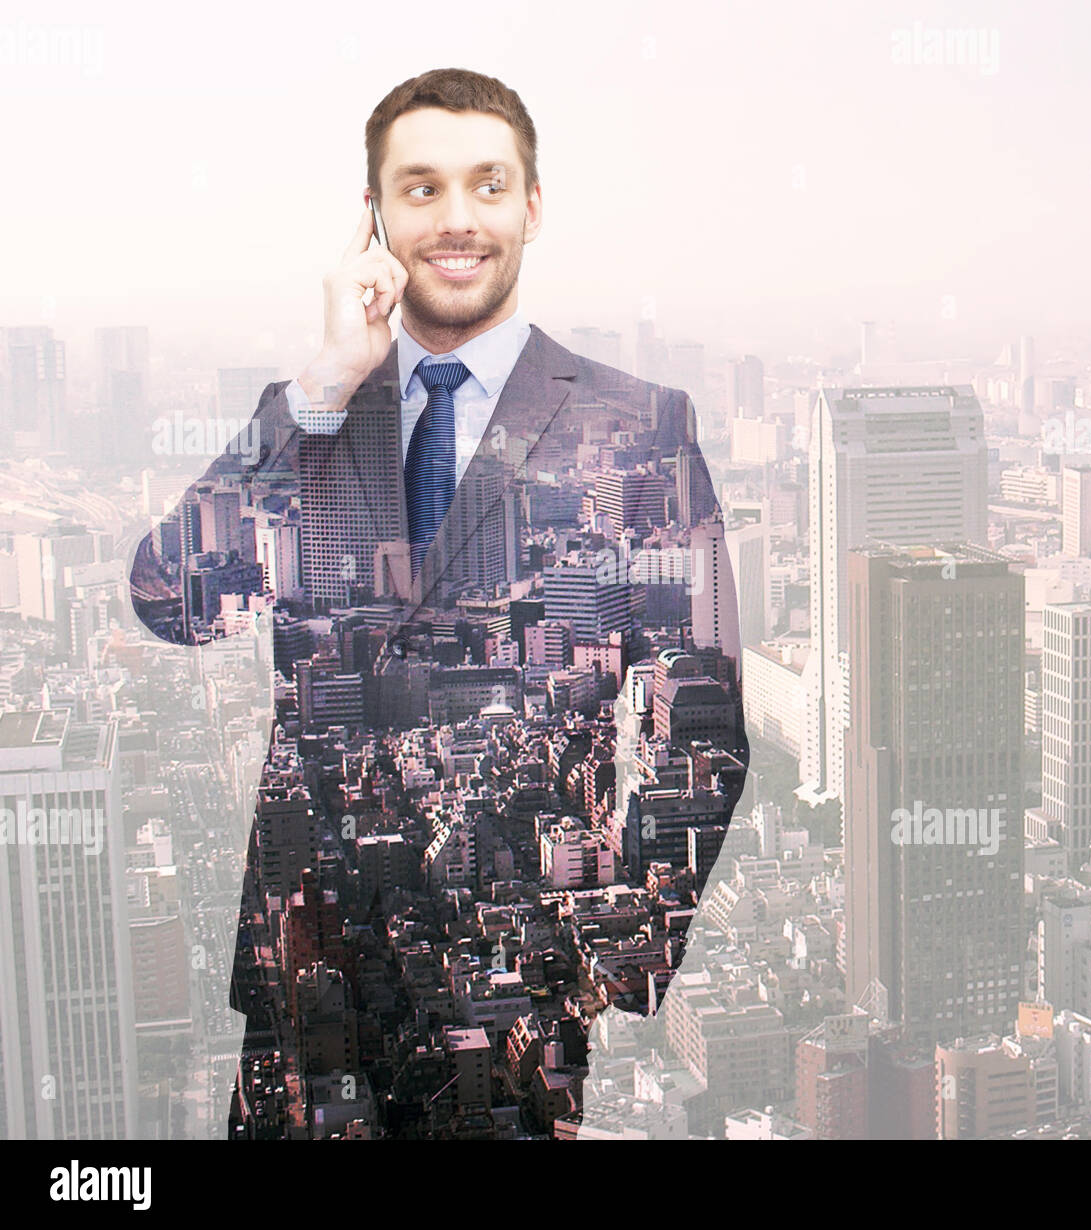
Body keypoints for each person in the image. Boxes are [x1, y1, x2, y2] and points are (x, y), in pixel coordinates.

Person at [131, 67, 747, 1140]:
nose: (457, 219)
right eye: (420, 188)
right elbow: (169, 601)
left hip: (514, 1042)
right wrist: (323, 384)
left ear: (532, 207)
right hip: (305, 1004)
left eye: (487, 184)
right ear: (372, 216)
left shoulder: (637, 423)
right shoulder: (310, 416)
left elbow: (710, 728)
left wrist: (581, 980)